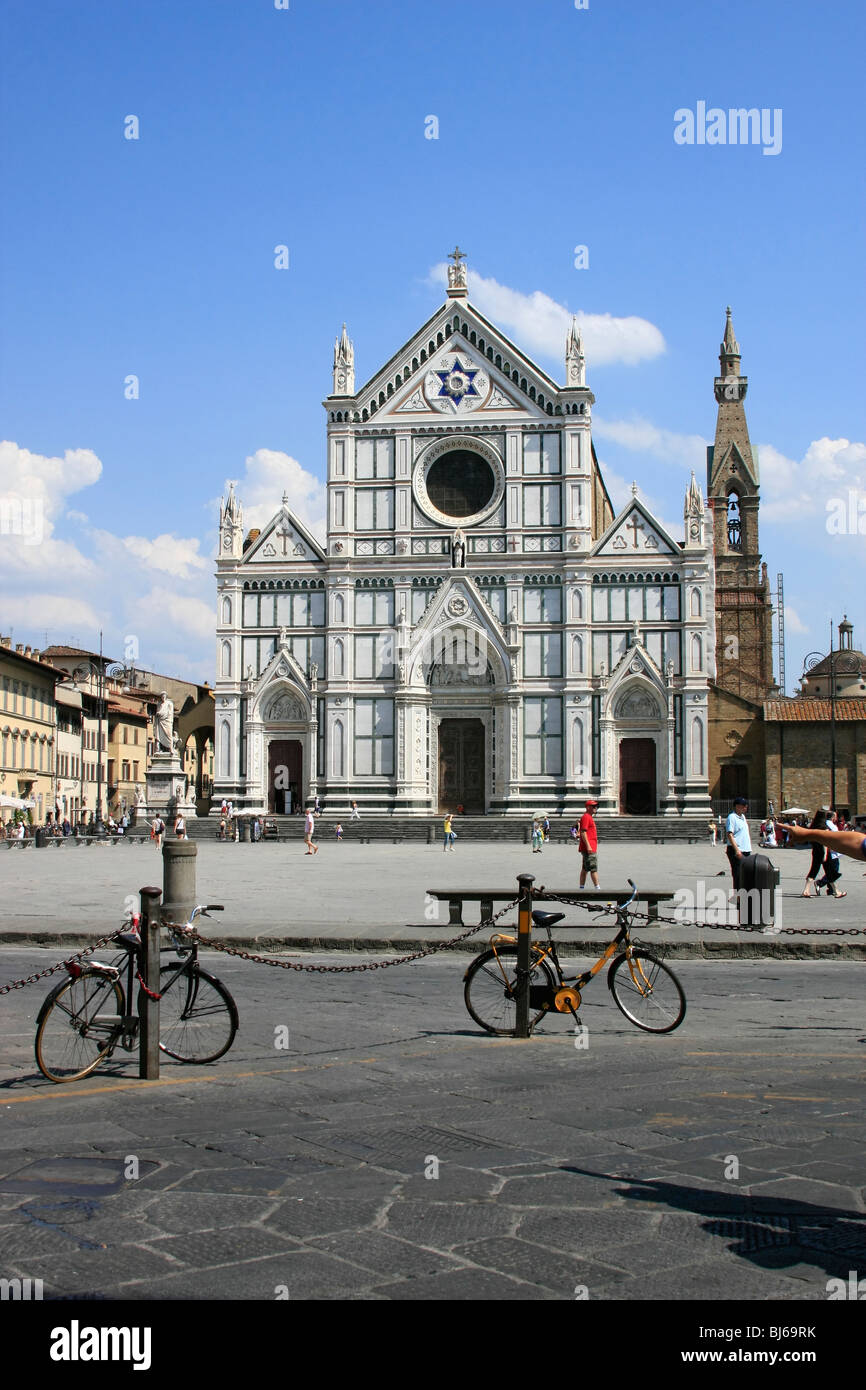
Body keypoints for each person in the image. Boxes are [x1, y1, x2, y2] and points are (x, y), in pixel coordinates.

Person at [725, 795, 752, 891]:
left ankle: (743, 895)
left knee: (745, 875)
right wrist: (737, 850)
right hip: (737, 850)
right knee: (738, 875)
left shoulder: (743, 817)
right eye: (743, 805)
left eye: (746, 805)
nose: (746, 807)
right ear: (737, 806)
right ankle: (737, 896)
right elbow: (729, 834)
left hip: (746, 849)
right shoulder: (732, 817)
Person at [799, 809, 829, 897]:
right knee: (827, 871)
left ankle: (836, 890)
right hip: (822, 852)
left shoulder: (812, 827)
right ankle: (806, 890)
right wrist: (825, 854)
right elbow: (825, 843)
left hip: (815, 850)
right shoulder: (824, 828)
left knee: (815, 869)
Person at [578, 799, 600, 888]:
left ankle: (581, 888)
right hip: (589, 848)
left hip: (589, 847)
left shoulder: (589, 817)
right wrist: (588, 846)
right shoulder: (586, 817)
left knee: (585, 869)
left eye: (596, 806)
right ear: (587, 807)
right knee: (593, 868)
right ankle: (597, 888)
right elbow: (583, 832)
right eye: (593, 806)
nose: (596, 808)